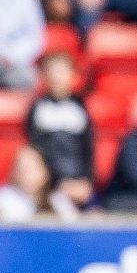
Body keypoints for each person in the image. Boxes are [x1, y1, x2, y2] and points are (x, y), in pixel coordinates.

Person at [26, 53, 95, 210]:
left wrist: (86, 181)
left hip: (78, 184)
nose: (56, 77)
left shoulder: (80, 107)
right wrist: (54, 184)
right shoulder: (37, 108)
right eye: (52, 71)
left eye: (61, 71)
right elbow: (34, 150)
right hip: (48, 186)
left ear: (72, 75)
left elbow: (87, 149)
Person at [0, 146, 75, 221]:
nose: (27, 174)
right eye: (22, 168)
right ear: (13, 172)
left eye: (32, 168)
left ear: (45, 172)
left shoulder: (58, 201)